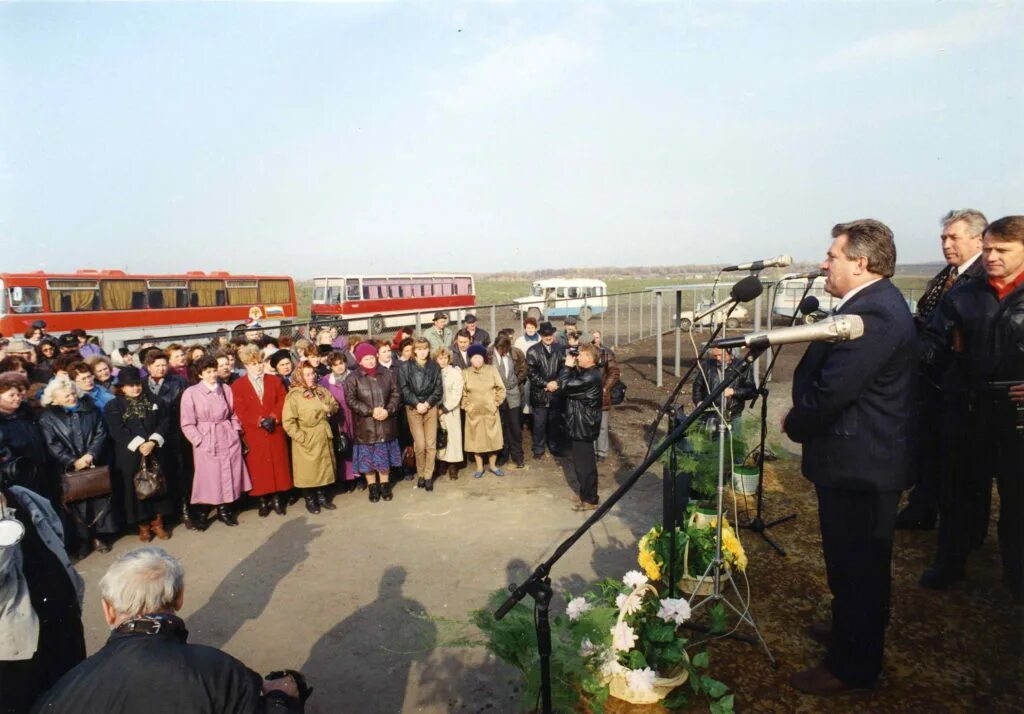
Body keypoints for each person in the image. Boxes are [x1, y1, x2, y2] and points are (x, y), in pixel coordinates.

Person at [783, 219, 916, 695]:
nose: (824, 262)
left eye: (832, 255)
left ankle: (852, 666)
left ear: (861, 262)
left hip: (862, 464)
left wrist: (794, 422)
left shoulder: (875, 314)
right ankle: (849, 632)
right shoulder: (869, 303)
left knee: (859, 568)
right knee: (850, 565)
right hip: (857, 459)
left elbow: (835, 390)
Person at [32, 547, 307, 713]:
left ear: (108, 610)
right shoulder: (219, 671)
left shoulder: (64, 691)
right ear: (179, 598)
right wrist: (282, 697)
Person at [919, 215, 1024, 601]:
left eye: (1002, 250)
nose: (991, 256)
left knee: (1018, 503)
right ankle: (951, 563)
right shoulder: (964, 294)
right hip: (968, 407)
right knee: (959, 493)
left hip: (1018, 419)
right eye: (987, 249)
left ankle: (1017, 579)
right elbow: (931, 342)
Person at [897, 209, 988, 531]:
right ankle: (923, 509)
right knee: (929, 450)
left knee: (964, 465)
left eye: (954, 237)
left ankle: (967, 534)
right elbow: (928, 318)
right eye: (943, 238)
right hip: (932, 380)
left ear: (978, 239)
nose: (946, 244)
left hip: (961, 384)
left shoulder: (982, 278)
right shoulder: (948, 275)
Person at [0, 470, 86, 714]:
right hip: (19, 648)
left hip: (63, 621)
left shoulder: (21, 495)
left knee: (73, 696)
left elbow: (56, 534)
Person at [38, 376, 119, 557]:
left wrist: (91, 454)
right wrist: (72, 461)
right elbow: (52, 444)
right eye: (66, 396)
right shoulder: (48, 418)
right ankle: (83, 540)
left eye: (73, 394)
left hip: (92, 462)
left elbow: (101, 432)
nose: (72, 398)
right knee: (76, 503)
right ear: (55, 399)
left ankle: (99, 535)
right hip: (69, 468)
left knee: (97, 499)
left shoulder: (90, 409)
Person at [102, 366, 174, 542]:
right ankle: (143, 526)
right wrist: (140, 444)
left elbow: (165, 421)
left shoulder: (155, 400)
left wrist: (153, 441)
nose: (135, 388)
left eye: (137, 384)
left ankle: (158, 523)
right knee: (135, 490)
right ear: (122, 387)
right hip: (130, 454)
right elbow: (116, 429)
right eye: (129, 385)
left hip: (155, 450)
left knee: (157, 485)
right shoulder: (114, 405)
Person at [179, 356, 252, 528]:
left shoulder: (226, 389)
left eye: (214, 371)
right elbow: (187, 423)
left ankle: (224, 511)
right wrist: (200, 441)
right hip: (207, 437)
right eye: (208, 372)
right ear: (200, 374)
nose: (212, 375)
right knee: (208, 478)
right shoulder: (191, 393)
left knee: (229, 474)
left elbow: (233, 413)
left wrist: (235, 430)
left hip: (227, 436)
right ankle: (202, 513)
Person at [232, 345, 293, 517]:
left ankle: (277, 499)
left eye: (259, 362)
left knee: (278, 465)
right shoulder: (238, 385)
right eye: (253, 364)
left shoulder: (274, 381)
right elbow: (240, 409)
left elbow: (282, 400)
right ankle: (263, 501)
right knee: (259, 468)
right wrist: (258, 420)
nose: (257, 367)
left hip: (274, 428)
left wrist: (274, 417)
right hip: (254, 432)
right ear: (245, 366)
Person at [141, 350, 194, 530]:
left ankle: (186, 510)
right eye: (157, 366)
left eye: (164, 365)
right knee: (160, 475)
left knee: (180, 473)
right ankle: (165, 514)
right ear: (148, 367)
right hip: (153, 436)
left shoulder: (179, 382)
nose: (162, 369)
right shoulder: (142, 386)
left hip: (176, 434)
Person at [344, 343, 401, 503]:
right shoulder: (353, 378)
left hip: (385, 423)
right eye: (366, 359)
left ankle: (384, 485)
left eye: (371, 358)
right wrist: (371, 411)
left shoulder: (387, 374)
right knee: (367, 461)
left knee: (383, 459)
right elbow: (351, 400)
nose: (369, 361)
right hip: (366, 427)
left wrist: (387, 410)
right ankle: (372, 487)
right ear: (360, 361)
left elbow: (396, 394)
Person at [282, 362, 339, 514]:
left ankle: (322, 497)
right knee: (308, 471)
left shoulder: (321, 390)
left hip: (322, 432)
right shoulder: (294, 395)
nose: (311, 377)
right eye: (307, 374)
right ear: (300, 376)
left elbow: (334, 405)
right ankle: (310, 499)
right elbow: (288, 421)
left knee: (323, 467)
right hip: (307, 435)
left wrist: (330, 409)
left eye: (313, 373)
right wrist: (300, 437)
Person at [559, 343, 604, 510]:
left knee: (585, 465)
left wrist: (566, 367)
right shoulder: (587, 373)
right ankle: (586, 494)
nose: (577, 357)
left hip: (583, 426)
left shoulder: (590, 377)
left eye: (581, 355)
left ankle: (591, 499)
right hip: (581, 424)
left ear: (590, 359)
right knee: (581, 464)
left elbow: (564, 386)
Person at [398, 338, 443, 490]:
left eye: (425, 348)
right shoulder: (405, 367)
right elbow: (404, 389)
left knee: (431, 444)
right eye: (419, 349)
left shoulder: (434, 366)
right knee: (420, 444)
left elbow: (438, 389)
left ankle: (428, 476)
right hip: (413, 408)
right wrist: (417, 403)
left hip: (430, 407)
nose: (422, 352)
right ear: (414, 351)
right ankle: (421, 473)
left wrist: (428, 403)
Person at [0, 372, 52, 503]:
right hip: (18, 477)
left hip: (42, 471)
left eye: (18, 395)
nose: (17, 398)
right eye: (11, 395)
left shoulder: (26, 412)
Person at [462, 343, 505, 478]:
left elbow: (501, 389)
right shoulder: (466, 373)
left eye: (479, 357)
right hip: (474, 414)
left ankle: (493, 466)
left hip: (490, 412)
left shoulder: (492, 370)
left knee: (493, 439)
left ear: (484, 358)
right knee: (476, 441)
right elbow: (462, 394)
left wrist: (495, 404)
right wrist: (468, 407)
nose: (477, 360)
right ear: (470, 359)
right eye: (474, 358)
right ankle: (479, 467)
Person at [691, 347, 756, 434]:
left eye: (720, 355)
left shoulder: (743, 367)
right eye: (715, 356)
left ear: (729, 352)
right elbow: (697, 387)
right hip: (710, 415)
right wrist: (698, 402)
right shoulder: (707, 366)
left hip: (732, 416)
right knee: (709, 444)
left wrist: (734, 392)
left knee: (734, 444)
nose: (718, 358)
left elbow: (751, 391)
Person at [319, 350, 358, 493]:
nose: (339, 367)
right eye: (335, 365)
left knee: (357, 446)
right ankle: (347, 478)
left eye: (341, 363)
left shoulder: (355, 376)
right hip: (338, 420)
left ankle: (360, 476)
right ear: (331, 366)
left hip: (355, 417)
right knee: (343, 447)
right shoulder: (325, 381)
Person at [526, 322, 566, 458]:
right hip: (540, 393)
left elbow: (565, 369)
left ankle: (554, 446)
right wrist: (546, 384)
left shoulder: (559, 348)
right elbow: (531, 373)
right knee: (539, 424)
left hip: (556, 392)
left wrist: (557, 382)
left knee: (555, 422)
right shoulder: (532, 351)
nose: (548, 337)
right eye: (545, 335)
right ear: (541, 335)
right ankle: (538, 448)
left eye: (550, 334)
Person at [490, 335, 526, 469]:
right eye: (500, 348)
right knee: (501, 427)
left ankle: (518, 456)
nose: (502, 351)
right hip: (497, 395)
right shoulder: (490, 356)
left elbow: (523, 369)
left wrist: (515, 381)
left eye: (505, 349)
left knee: (515, 427)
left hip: (513, 394)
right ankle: (502, 455)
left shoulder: (514, 353)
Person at [434, 347, 464, 480]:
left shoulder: (455, 372)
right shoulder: (433, 372)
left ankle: (453, 466)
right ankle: (442, 463)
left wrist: (444, 408)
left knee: (452, 437)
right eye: (440, 358)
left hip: (450, 410)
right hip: (435, 410)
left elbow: (457, 393)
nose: (443, 361)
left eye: (445, 358)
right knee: (440, 436)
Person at [591, 331, 621, 460]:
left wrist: (606, 387)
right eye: (593, 338)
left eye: (597, 338)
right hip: (590, 395)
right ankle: (591, 451)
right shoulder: (586, 354)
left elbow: (614, 372)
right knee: (591, 423)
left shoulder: (606, 353)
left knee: (602, 425)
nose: (595, 340)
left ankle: (601, 451)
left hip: (603, 394)